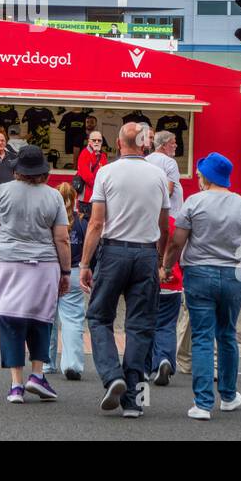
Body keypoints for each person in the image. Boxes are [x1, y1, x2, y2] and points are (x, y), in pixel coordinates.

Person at [162, 152, 241, 420]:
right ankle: (228, 395)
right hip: (233, 275)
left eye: (200, 175)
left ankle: (202, 403)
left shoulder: (194, 203)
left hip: (199, 274)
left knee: (201, 337)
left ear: (207, 177)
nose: (198, 178)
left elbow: (177, 242)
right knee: (227, 335)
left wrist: (166, 267)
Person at [81, 122, 170, 418]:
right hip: (146, 253)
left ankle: (112, 375)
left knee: (98, 316)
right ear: (144, 144)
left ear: (119, 143)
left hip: (113, 251)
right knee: (140, 325)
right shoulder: (159, 175)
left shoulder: (107, 172)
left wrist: (84, 263)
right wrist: (160, 259)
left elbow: (95, 223)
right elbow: (163, 223)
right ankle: (134, 401)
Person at [0, 145, 71, 404]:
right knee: (41, 319)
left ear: (18, 169)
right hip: (43, 266)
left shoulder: (3, 192)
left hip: (6, 262)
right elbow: (62, 238)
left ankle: (16, 385)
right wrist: (65, 271)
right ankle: (37, 375)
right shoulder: (53, 196)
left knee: (9, 319)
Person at [146, 130, 184, 385]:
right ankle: (165, 359)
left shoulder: (146, 162)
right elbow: (168, 191)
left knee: (147, 316)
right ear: (163, 145)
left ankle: (152, 364)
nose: (176, 145)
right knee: (167, 320)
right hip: (168, 225)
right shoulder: (168, 163)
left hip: (147, 228)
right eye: (173, 143)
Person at [47, 181, 87, 380]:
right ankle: (72, 364)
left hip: (50, 272)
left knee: (47, 318)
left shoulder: (50, 222)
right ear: (75, 199)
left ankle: (47, 362)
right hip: (73, 273)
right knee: (73, 320)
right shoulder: (82, 223)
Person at [75, 128, 108, 215]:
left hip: (99, 198)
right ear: (89, 141)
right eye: (94, 140)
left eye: (99, 140)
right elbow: (87, 177)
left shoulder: (103, 156)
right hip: (86, 199)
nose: (96, 142)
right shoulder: (84, 154)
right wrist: (101, 187)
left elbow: (105, 174)